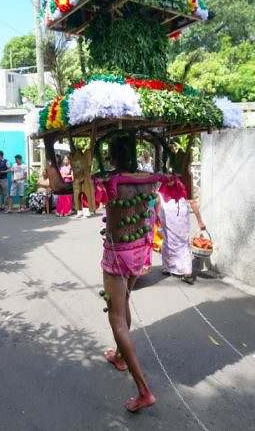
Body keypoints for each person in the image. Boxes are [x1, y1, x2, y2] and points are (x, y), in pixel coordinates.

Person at [46, 133, 157, 412]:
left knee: (116, 318)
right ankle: (119, 356)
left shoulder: (109, 180)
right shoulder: (147, 178)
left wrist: (49, 149)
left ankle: (144, 390)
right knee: (124, 301)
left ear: (113, 156)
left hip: (118, 254)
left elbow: (59, 188)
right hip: (140, 248)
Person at [157, 186, 206, 284]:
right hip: (176, 213)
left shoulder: (164, 185)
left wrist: (155, 217)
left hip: (169, 213)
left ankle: (170, 268)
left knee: (171, 240)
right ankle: (184, 271)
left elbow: (157, 201)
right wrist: (200, 221)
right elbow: (192, 202)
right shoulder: (183, 183)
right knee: (180, 241)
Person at [71, 138, 96, 219]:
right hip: (77, 179)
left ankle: (87, 211)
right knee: (77, 195)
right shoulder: (75, 158)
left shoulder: (86, 156)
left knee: (86, 195)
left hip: (85, 179)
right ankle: (79, 211)